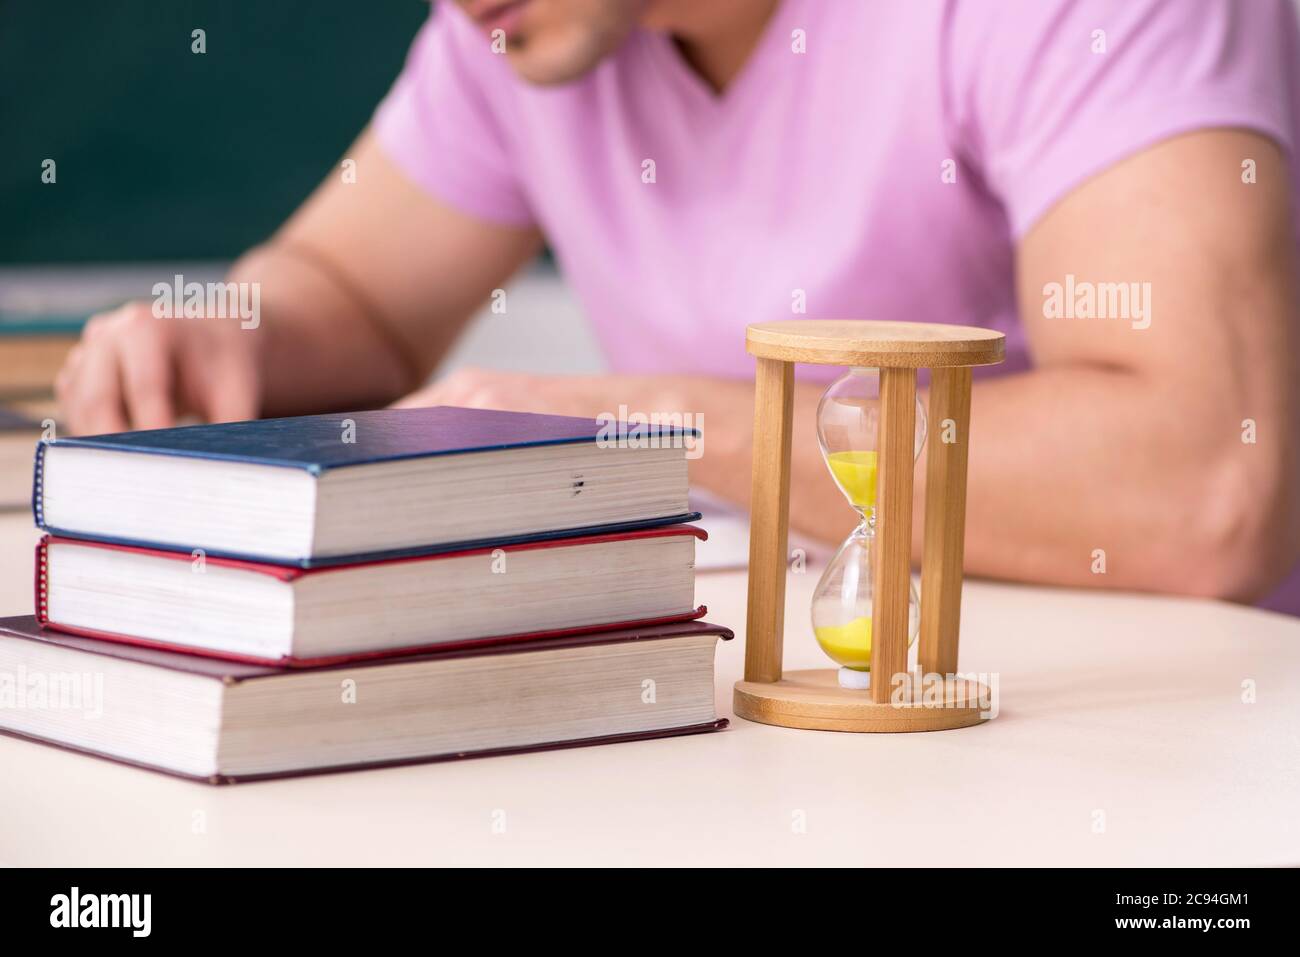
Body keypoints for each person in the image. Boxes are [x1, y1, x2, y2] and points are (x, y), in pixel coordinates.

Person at [55, 0, 1300, 611]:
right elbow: (355, 299)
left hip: (1154, 747)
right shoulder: (525, 32)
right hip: (773, 722)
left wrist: (645, 431)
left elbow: (1199, 487)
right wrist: (223, 330)